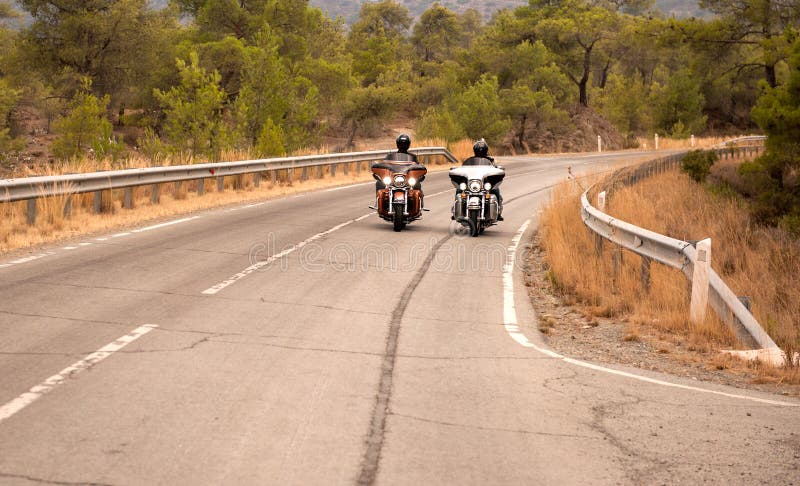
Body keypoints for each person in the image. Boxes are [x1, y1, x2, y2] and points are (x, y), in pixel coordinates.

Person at [461, 139, 503, 220]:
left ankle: (498, 212)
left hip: (485, 183)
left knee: (496, 190)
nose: (480, 151)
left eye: (482, 150)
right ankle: (457, 210)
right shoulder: (470, 160)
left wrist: (497, 169)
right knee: (459, 190)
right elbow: (463, 169)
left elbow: (495, 169)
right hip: (473, 183)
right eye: (478, 150)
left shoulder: (490, 160)